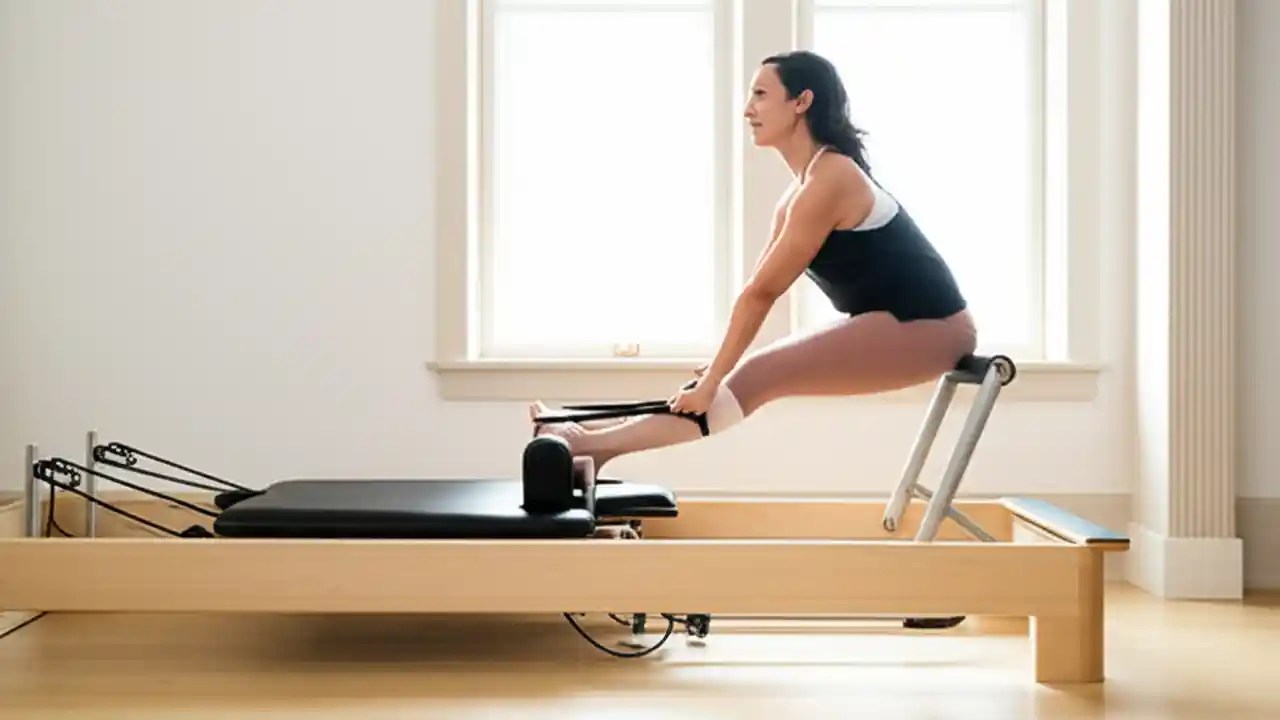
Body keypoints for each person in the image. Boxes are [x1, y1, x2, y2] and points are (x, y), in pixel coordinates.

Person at [530, 50, 977, 471]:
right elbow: (754, 288)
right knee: (740, 376)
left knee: (757, 376)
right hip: (894, 320)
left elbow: (763, 294)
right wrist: (716, 369)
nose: (748, 109)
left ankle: (585, 444)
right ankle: (590, 435)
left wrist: (713, 383)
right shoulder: (801, 189)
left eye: (761, 94)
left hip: (932, 329)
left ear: (802, 101)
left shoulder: (832, 177)